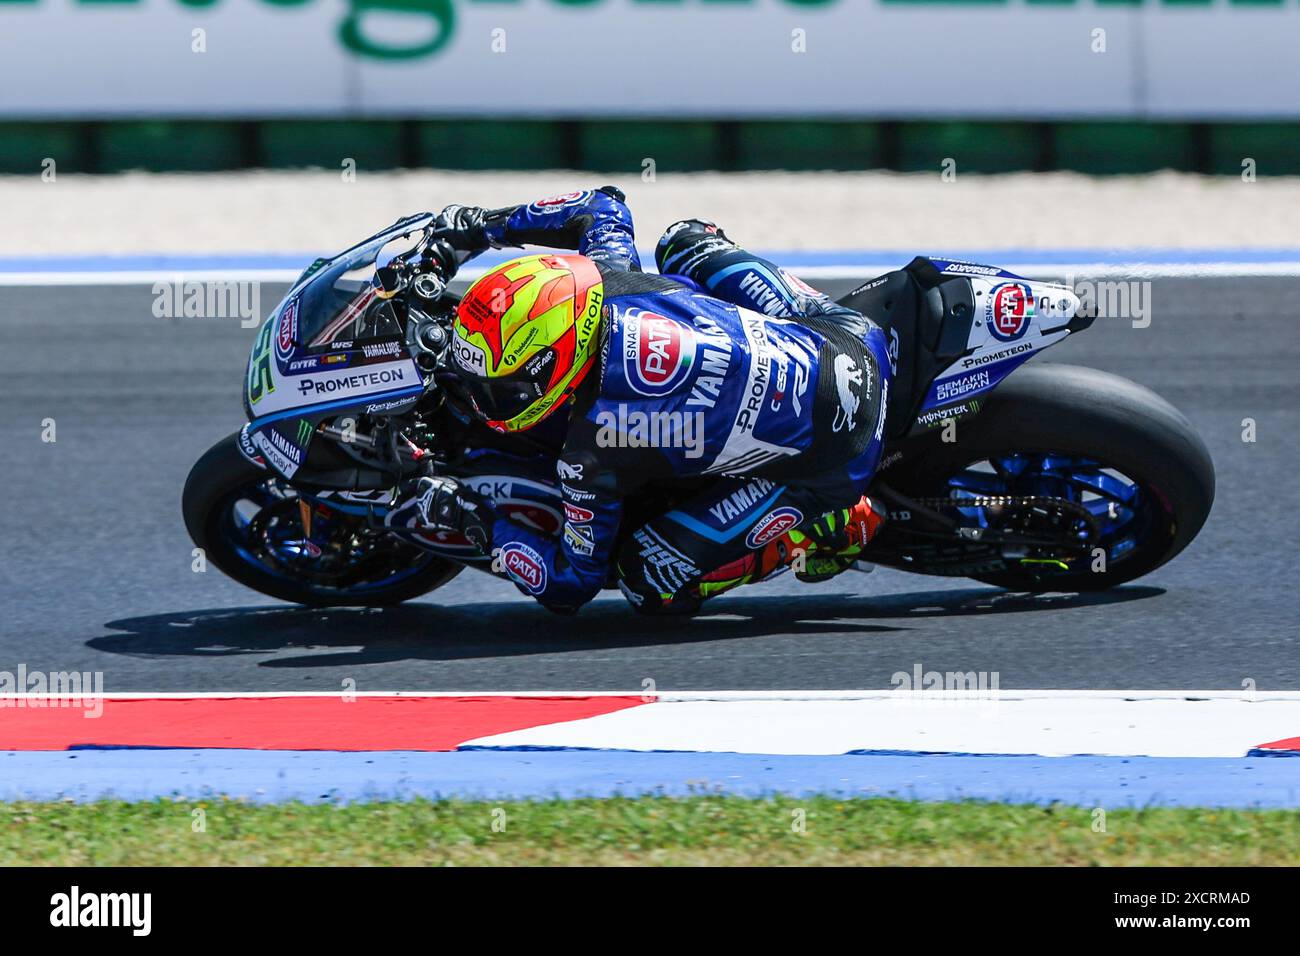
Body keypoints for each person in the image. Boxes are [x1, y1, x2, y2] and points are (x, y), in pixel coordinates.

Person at [387, 186, 892, 614]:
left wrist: (472, 521)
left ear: (556, 367)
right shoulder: (606, 275)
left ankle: (824, 525)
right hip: (849, 335)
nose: (486, 400)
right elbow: (603, 204)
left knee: (646, 577)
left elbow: (571, 584)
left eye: (503, 388)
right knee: (683, 239)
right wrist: (478, 229)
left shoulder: (590, 451)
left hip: (839, 457)